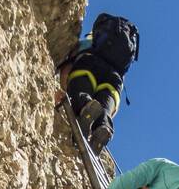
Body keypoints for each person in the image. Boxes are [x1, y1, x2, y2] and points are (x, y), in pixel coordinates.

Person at [57, 13, 140, 154]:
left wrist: (65, 87)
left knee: (81, 93)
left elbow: (67, 68)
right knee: (104, 108)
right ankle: (104, 126)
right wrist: (106, 114)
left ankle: (85, 104)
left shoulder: (87, 43)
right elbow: (114, 106)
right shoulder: (120, 61)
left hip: (88, 65)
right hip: (114, 80)